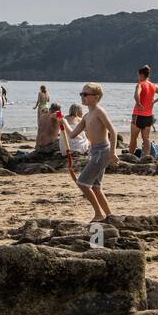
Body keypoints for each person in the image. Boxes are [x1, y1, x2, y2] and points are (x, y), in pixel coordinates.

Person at [64, 83, 119, 222]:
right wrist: (63, 122)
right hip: (94, 152)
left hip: (103, 150)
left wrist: (113, 152)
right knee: (95, 187)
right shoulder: (86, 116)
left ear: (96, 97)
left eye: (85, 94)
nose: (82, 97)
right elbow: (72, 135)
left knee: (82, 183)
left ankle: (98, 214)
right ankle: (109, 215)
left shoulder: (99, 111)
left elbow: (113, 131)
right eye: (81, 94)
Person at [129, 65, 158, 157]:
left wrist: (138, 103)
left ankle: (130, 156)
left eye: (138, 75)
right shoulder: (153, 85)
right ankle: (146, 157)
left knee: (133, 138)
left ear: (141, 75)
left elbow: (136, 95)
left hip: (138, 115)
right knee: (146, 138)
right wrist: (154, 101)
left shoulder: (140, 84)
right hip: (149, 116)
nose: (138, 77)